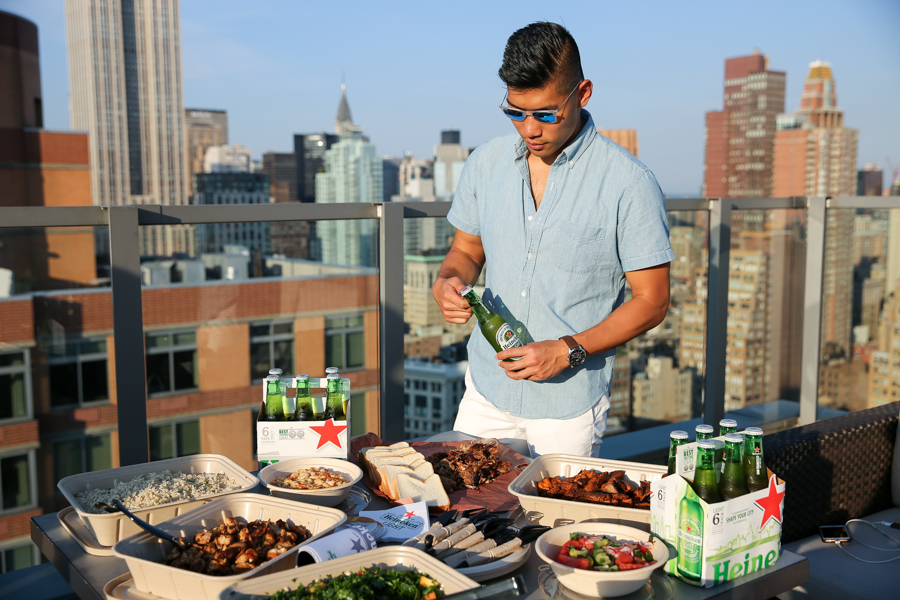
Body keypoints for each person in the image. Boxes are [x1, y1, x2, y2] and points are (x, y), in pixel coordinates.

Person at [432, 22, 673, 458]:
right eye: (515, 112)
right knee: (467, 517)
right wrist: (447, 280)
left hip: (568, 406)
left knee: (553, 524)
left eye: (545, 114)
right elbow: (466, 251)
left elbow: (652, 301)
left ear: (582, 93)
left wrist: (567, 352)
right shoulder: (486, 163)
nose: (529, 129)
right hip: (487, 389)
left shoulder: (629, 183)